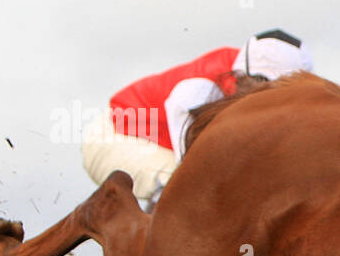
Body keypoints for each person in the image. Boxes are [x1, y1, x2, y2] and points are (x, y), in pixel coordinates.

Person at [81, 29, 314, 203]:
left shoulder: (248, 70)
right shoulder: (199, 90)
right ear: (250, 76)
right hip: (114, 137)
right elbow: (190, 167)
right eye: (274, 90)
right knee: (189, 187)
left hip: (155, 139)